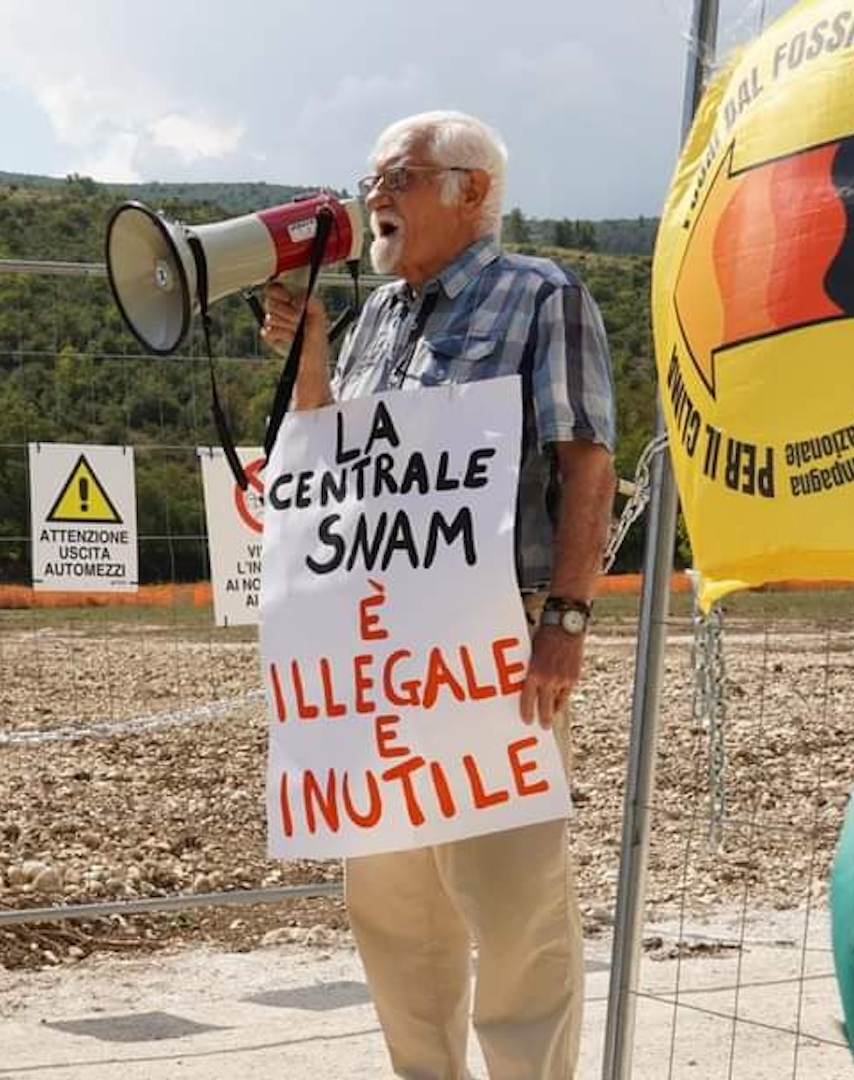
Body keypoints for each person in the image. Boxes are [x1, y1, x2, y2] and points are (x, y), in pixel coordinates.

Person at [261, 111, 618, 1080]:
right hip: (379, 647)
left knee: (514, 905)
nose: (374, 196)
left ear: (474, 193)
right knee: (393, 906)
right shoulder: (375, 318)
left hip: (493, 638)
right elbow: (332, 463)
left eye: (400, 178)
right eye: (373, 178)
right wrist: (312, 359)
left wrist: (564, 622)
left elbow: (587, 464)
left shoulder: (542, 295)